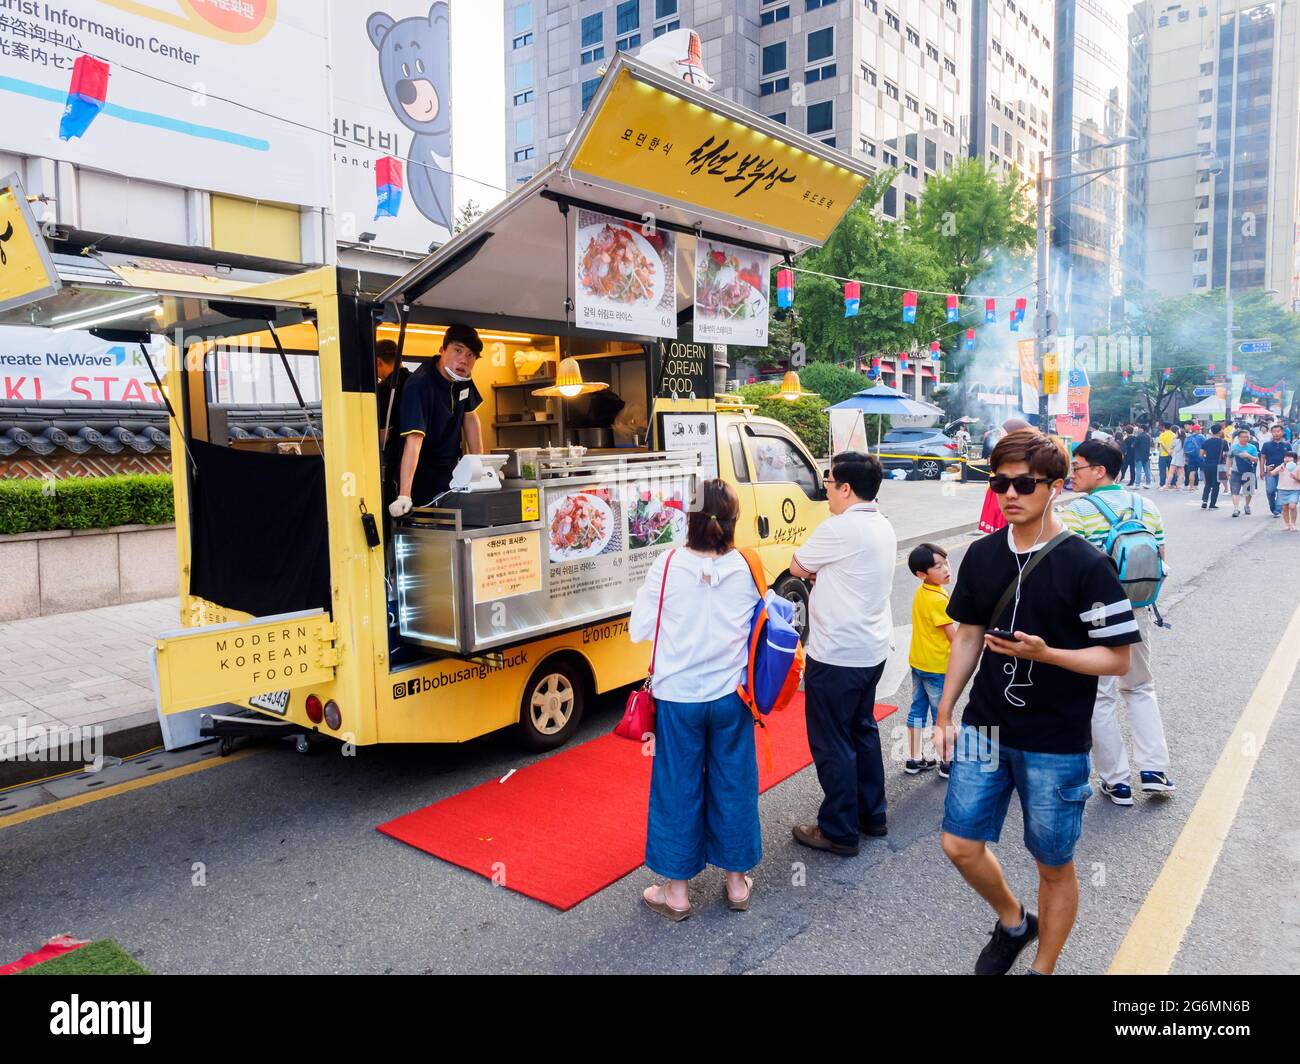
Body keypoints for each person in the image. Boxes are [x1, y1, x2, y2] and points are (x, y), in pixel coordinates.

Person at [934, 430, 1137, 975]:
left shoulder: (1085, 564)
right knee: (959, 843)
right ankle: (1014, 920)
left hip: (1055, 740)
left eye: (1024, 483)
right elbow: (969, 636)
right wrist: (945, 710)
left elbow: (1117, 659)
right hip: (985, 727)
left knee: (1053, 863)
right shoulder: (980, 555)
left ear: (1054, 487)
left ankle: (1040, 969)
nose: (1009, 494)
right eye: (999, 482)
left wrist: (1049, 655)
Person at [631, 479, 763, 919]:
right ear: (732, 522)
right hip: (732, 696)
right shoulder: (748, 565)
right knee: (734, 782)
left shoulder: (666, 564)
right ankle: (736, 883)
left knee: (676, 786)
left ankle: (677, 893)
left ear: (686, 519)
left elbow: (639, 630)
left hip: (678, 697)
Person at [789, 451, 896, 855]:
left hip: (837, 653)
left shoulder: (839, 528)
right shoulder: (881, 523)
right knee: (862, 730)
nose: (827, 490)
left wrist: (819, 570)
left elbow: (798, 566)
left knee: (832, 740)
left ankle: (838, 828)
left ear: (847, 488)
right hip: (870, 648)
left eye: (830, 483)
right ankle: (873, 815)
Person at [1063, 440, 1175, 805]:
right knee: (1141, 688)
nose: (1072, 474)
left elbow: (1071, 570)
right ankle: (1155, 771)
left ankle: (1117, 781)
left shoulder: (1077, 511)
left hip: (1096, 617)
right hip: (1138, 609)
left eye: (1077, 467)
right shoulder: (1147, 506)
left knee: (1101, 697)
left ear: (1099, 470)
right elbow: (1159, 558)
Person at [389, 323, 485, 516]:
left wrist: (482, 468)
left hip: (450, 469)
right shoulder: (420, 384)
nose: (464, 360)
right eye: (458, 350)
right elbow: (414, 439)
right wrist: (404, 495)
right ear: (442, 350)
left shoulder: (463, 380)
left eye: (470, 355)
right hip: (420, 473)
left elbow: (471, 419)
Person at [906, 542, 955, 778]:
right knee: (942, 714)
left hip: (919, 663)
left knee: (917, 710)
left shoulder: (923, 591)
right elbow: (954, 637)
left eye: (946, 562)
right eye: (938, 566)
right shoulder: (939, 600)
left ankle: (914, 759)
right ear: (921, 574)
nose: (946, 568)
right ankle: (946, 762)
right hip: (937, 666)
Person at [375, 339, 411, 511]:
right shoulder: (416, 382)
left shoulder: (384, 390)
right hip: (424, 461)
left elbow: (384, 436)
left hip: (397, 461)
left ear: (378, 362)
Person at [978, 418, 1031, 534]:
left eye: (1003, 433)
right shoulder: (1005, 450)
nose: (1000, 437)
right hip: (999, 486)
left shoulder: (1020, 455)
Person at [1259, 423, 1288, 518]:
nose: (1276, 433)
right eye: (1274, 432)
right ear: (1271, 433)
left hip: (1283, 471)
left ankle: (1277, 509)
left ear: (1282, 432)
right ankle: (1272, 506)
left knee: (1280, 490)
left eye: (1278, 431)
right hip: (1270, 471)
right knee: (1270, 490)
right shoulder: (1267, 445)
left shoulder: (1287, 445)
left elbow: (1292, 458)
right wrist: (1262, 470)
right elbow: (1262, 457)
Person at [1229, 428, 1259, 517]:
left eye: (1247, 437)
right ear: (1238, 438)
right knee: (1235, 491)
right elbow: (1229, 458)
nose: (1245, 438)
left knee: (1248, 492)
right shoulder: (1234, 447)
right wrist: (1227, 470)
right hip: (1235, 472)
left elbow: (1256, 460)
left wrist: (1248, 456)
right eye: (1243, 437)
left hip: (1248, 471)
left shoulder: (1252, 447)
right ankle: (1236, 509)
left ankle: (1247, 505)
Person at [1200, 424, 1228, 510]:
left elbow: (1201, 454)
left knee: (1207, 484)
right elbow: (1227, 455)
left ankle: (1204, 501)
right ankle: (1212, 504)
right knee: (1216, 485)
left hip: (1207, 464)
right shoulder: (1224, 442)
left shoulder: (1206, 441)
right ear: (1220, 431)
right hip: (1219, 465)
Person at [1271, 449, 1300, 531]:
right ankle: (1287, 524)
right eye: (1285, 457)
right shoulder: (1281, 467)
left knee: (1292, 506)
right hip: (1282, 490)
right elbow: (1272, 474)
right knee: (1285, 508)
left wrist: (1295, 478)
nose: (1287, 459)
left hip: (1294, 490)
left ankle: (1293, 523)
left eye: (1290, 457)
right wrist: (1268, 469)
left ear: (1294, 459)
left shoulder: (1298, 468)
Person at [1182, 423, 1204, 490]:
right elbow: (1205, 445)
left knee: (1192, 472)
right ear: (1197, 430)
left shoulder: (1188, 437)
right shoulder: (1201, 437)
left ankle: (1191, 487)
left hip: (1191, 456)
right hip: (1200, 456)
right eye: (1199, 429)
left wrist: (1186, 457)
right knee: (1204, 471)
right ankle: (1206, 486)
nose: (1200, 430)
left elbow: (1184, 447)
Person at [1168, 425, 1186, 490]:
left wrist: (1174, 438)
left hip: (1175, 459)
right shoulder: (1184, 441)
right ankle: (1179, 486)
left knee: (1171, 473)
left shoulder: (1176, 441)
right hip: (1181, 459)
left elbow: (1171, 447)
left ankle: (1166, 486)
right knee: (1180, 474)